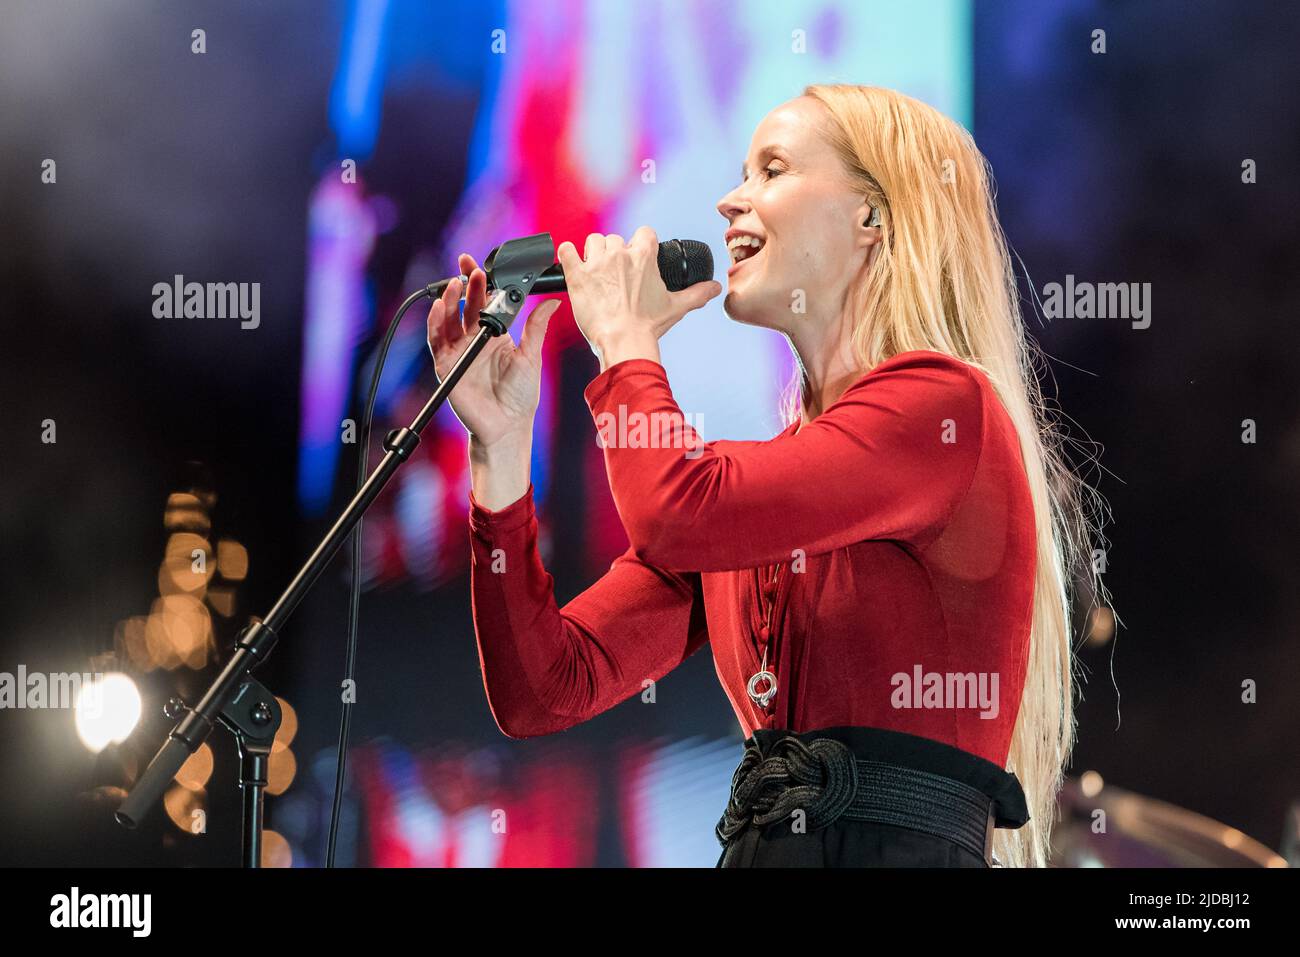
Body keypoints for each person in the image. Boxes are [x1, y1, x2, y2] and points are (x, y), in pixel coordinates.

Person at [426, 84, 1100, 868]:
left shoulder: (945, 410)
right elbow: (542, 688)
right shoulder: (759, 490)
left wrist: (627, 346)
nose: (728, 202)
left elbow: (678, 512)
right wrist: (501, 450)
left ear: (872, 218)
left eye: (770, 171)